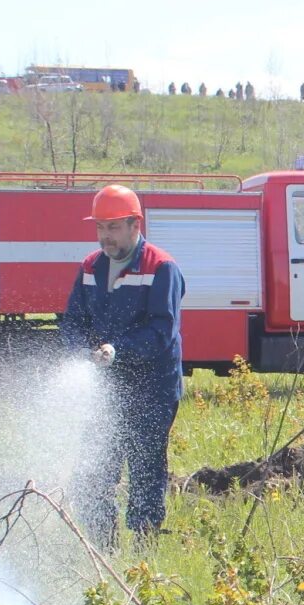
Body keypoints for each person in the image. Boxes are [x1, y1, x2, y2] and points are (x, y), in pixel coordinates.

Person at [59, 184, 187, 544]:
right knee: (97, 468)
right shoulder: (90, 267)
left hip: (152, 388)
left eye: (113, 227)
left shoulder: (161, 268)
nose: (105, 236)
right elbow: (72, 322)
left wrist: (117, 350)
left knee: (145, 468)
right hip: (107, 388)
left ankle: (145, 548)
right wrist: (81, 352)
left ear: (135, 224)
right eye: (100, 227)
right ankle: (104, 546)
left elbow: (162, 331)